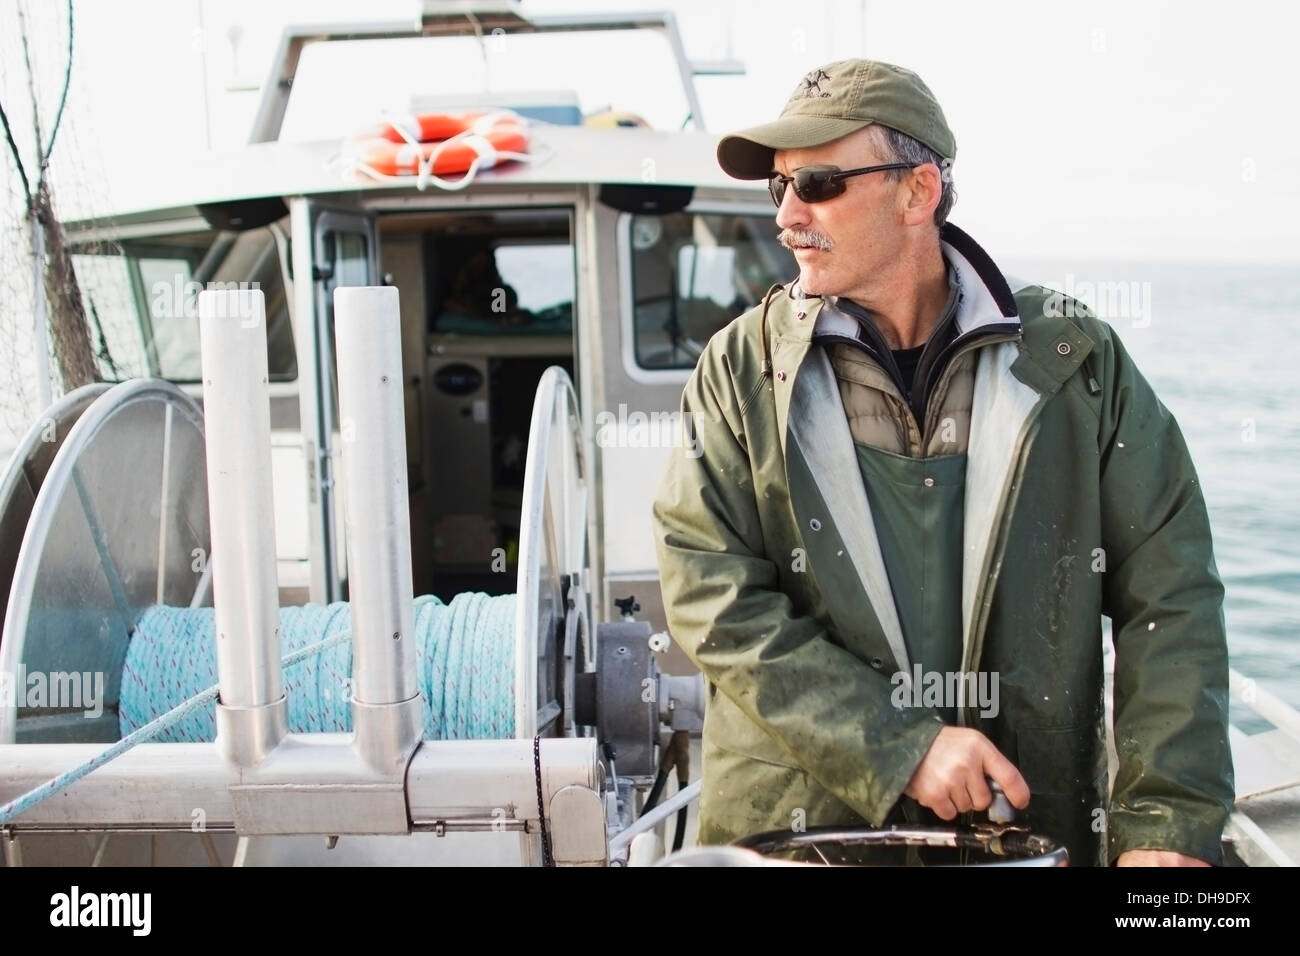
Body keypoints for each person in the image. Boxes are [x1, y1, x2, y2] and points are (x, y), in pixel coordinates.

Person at [651, 58, 1233, 866]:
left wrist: (1165, 823)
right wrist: (898, 745)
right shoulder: (734, 369)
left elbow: (1171, 596)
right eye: (776, 187)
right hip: (798, 833)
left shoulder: (1076, 357)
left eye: (817, 183)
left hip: (1028, 826)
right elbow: (710, 594)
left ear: (917, 191)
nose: (786, 216)